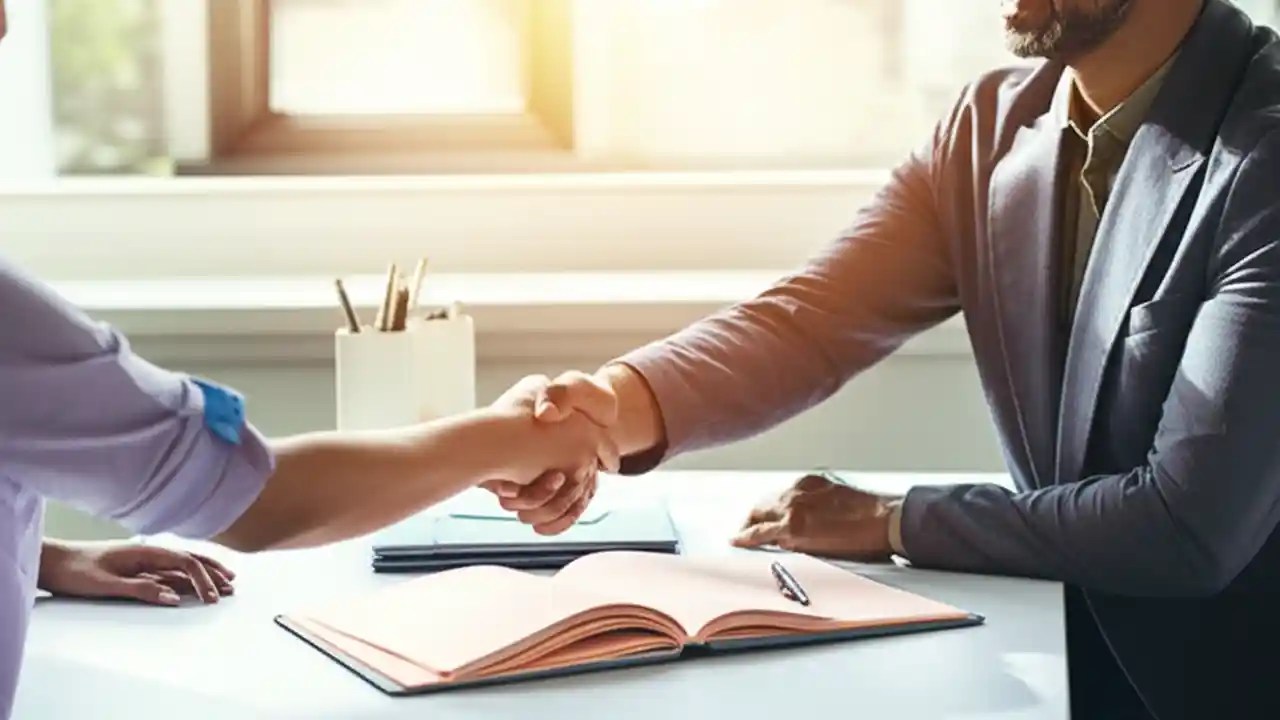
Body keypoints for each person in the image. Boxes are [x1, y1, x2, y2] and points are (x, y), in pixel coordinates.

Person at [490, 1, 1280, 718]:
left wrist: (891, 519)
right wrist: (605, 410)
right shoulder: (992, 126)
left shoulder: (1265, 153)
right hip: (1058, 661)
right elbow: (809, 323)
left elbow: (1185, 527)